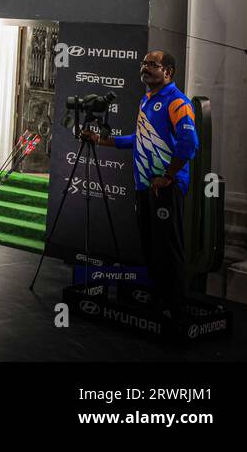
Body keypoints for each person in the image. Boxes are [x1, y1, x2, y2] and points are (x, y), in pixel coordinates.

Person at [83, 50, 198, 316]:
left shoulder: (178, 102)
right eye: (144, 64)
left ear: (168, 72)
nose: (145, 68)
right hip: (144, 187)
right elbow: (139, 139)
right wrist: (101, 140)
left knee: (169, 249)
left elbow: (189, 143)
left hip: (167, 189)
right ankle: (159, 302)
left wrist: (168, 176)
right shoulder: (146, 100)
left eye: (153, 65)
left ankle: (176, 310)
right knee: (151, 248)